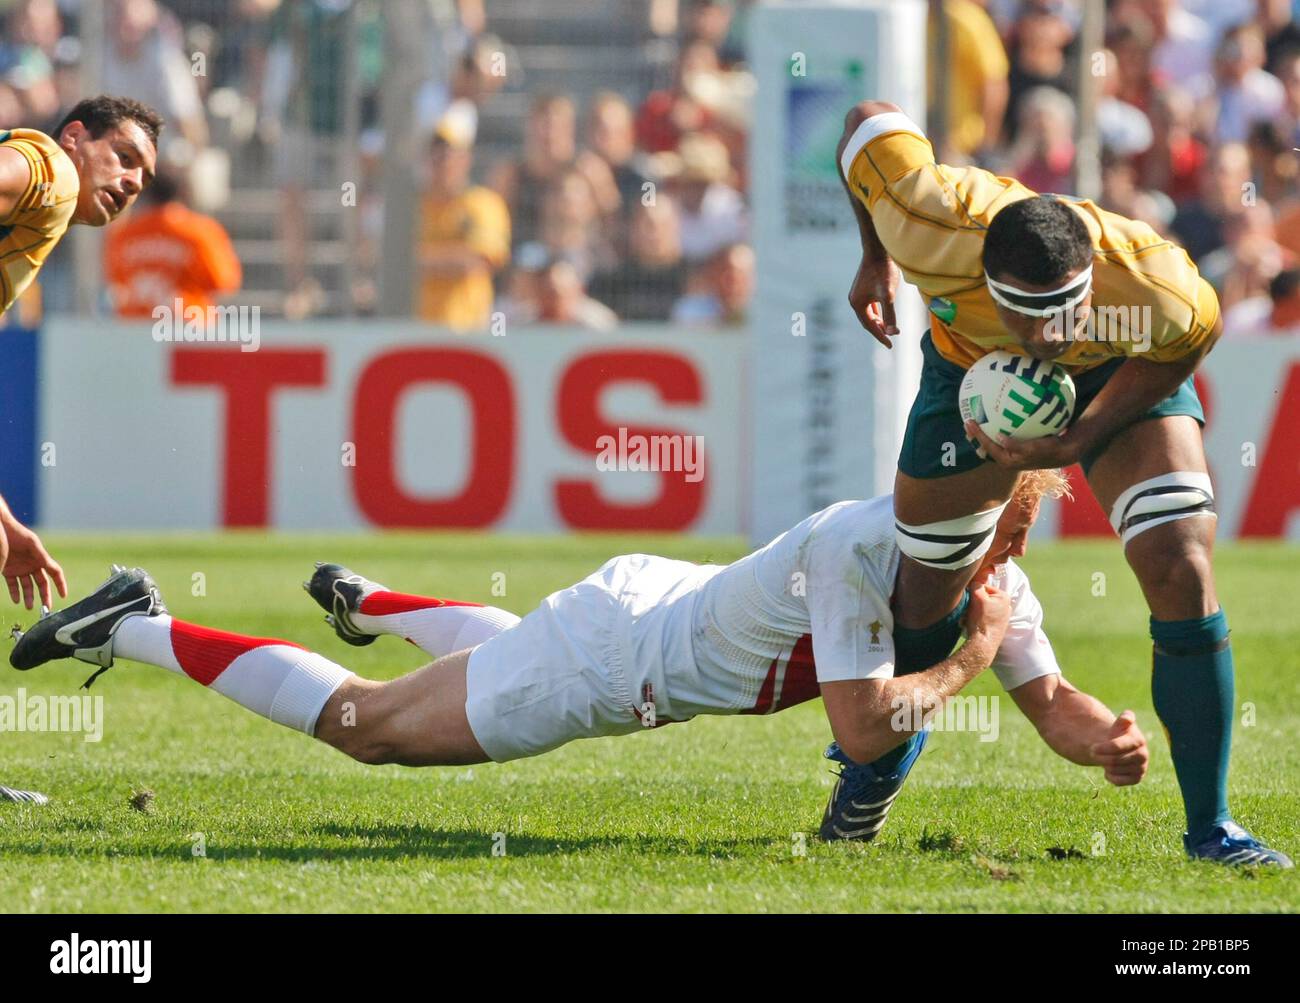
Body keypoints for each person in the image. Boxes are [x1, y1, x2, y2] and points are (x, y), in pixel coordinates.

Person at [9, 473, 1152, 850]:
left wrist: (1099, 734)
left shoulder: (989, 575)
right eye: (992, 528)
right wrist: (973, 659)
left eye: (1015, 533)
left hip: (644, 604)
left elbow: (1046, 699)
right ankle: (127, 623)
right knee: (366, 728)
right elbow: (863, 728)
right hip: (615, 663)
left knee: (499, 654)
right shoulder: (863, 552)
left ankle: (374, 601)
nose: (1002, 551)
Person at [836, 98, 1289, 866]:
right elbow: (864, 120)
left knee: (1181, 562)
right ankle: (879, 765)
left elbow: (1182, 346)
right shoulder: (927, 218)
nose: (1050, 336)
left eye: (1066, 311)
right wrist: (873, 254)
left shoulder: (1157, 279)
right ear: (986, 278)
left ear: (1090, 277)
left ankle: (1213, 827)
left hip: (1117, 375)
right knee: (926, 595)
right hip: (965, 369)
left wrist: (1081, 435)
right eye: (1028, 315)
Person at [0, 92, 161, 804]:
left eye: (144, 178)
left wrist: (5, 523)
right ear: (75, 137)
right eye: (123, 157)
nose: (130, 181)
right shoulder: (51, 170)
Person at [414, 105, 510, 333]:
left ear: (466, 158)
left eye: (449, 152)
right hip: (415, 329)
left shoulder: (484, 203)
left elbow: (478, 261)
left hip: (468, 330)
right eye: (435, 151)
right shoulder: (412, 206)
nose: (442, 160)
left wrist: (418, 260)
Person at [103, 167, 241, 318]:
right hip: (189, 328)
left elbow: (114, 280)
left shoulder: (124, 234)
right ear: (183, 192)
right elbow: (222, 281)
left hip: (136, 327)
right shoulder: (200, 231)